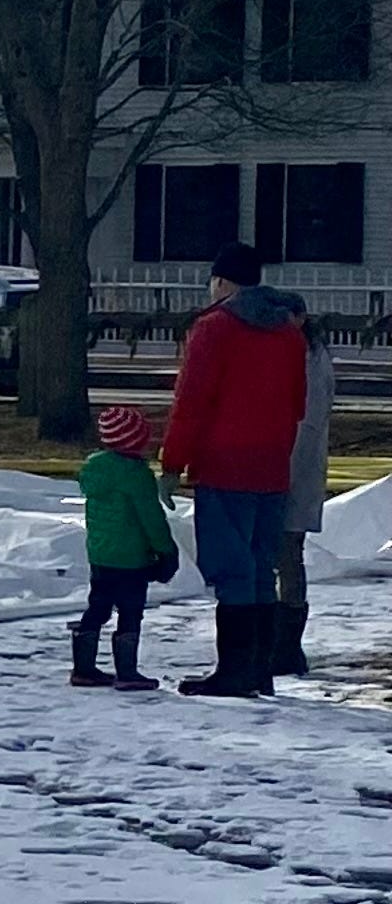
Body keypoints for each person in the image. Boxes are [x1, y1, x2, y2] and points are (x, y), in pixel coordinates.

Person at [158, 240, 308, 699]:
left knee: (231, 569)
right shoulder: (288, 332)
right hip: (272, 464)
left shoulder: (215, 328)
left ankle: (235, 670)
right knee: (262, 566)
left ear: (221, 281)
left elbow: (192, 403)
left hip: (224, 464)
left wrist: (172, 464)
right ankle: (260, 667)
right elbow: (297, 403)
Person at [70, 402, 179, 691]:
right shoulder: (136, 476)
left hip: (101, 556)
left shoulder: (94, 470)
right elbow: (151, 519)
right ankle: (127, 672)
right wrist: (166, 551)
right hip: (132, 560)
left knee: (97, 608)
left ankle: (83, 668)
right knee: (130, 612)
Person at [268, 300, 335, 679]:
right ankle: (286, 644)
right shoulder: (315, 354)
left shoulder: (303, 357)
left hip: (291, 463)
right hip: (299, 465)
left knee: (284, 552)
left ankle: (284, 644)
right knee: (289, 554)